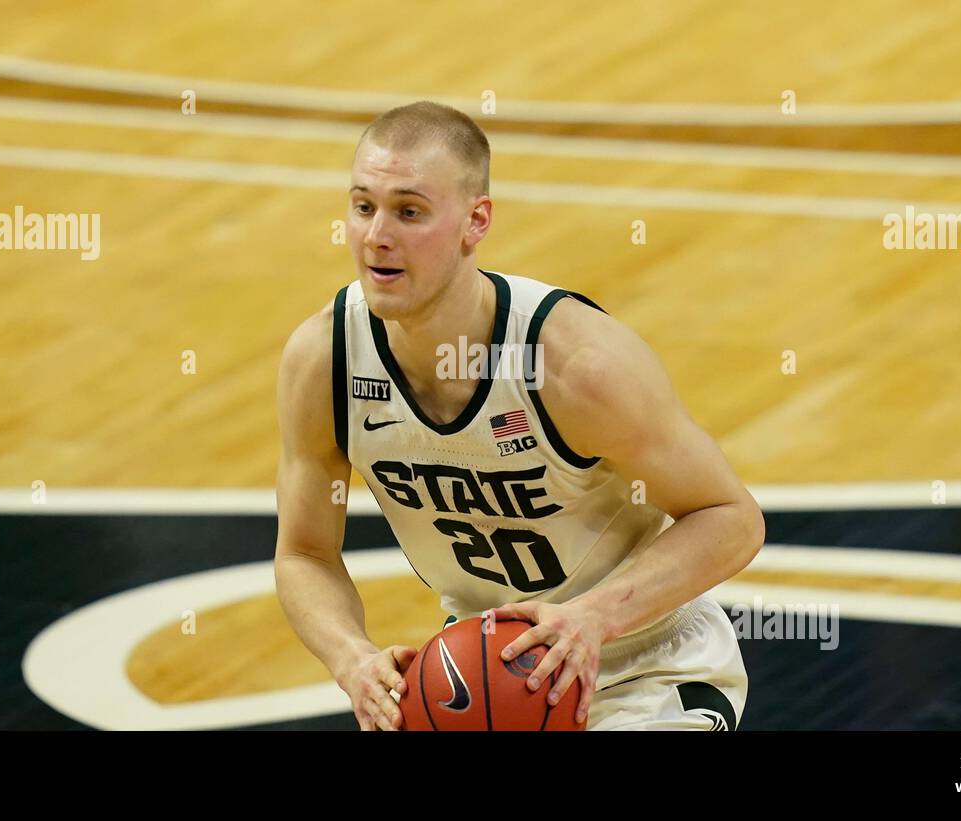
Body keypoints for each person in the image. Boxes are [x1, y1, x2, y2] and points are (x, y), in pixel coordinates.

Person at [274, 101, 764, 731]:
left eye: (410, 211)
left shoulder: (576, 365)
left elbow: (731, 518)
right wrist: (353, 659)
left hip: (646, 666)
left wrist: (595, 617)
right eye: (363, 206)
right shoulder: (325, 362)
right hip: (491, 675)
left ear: (475, 221)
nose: (377, 236)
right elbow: (305, 555)